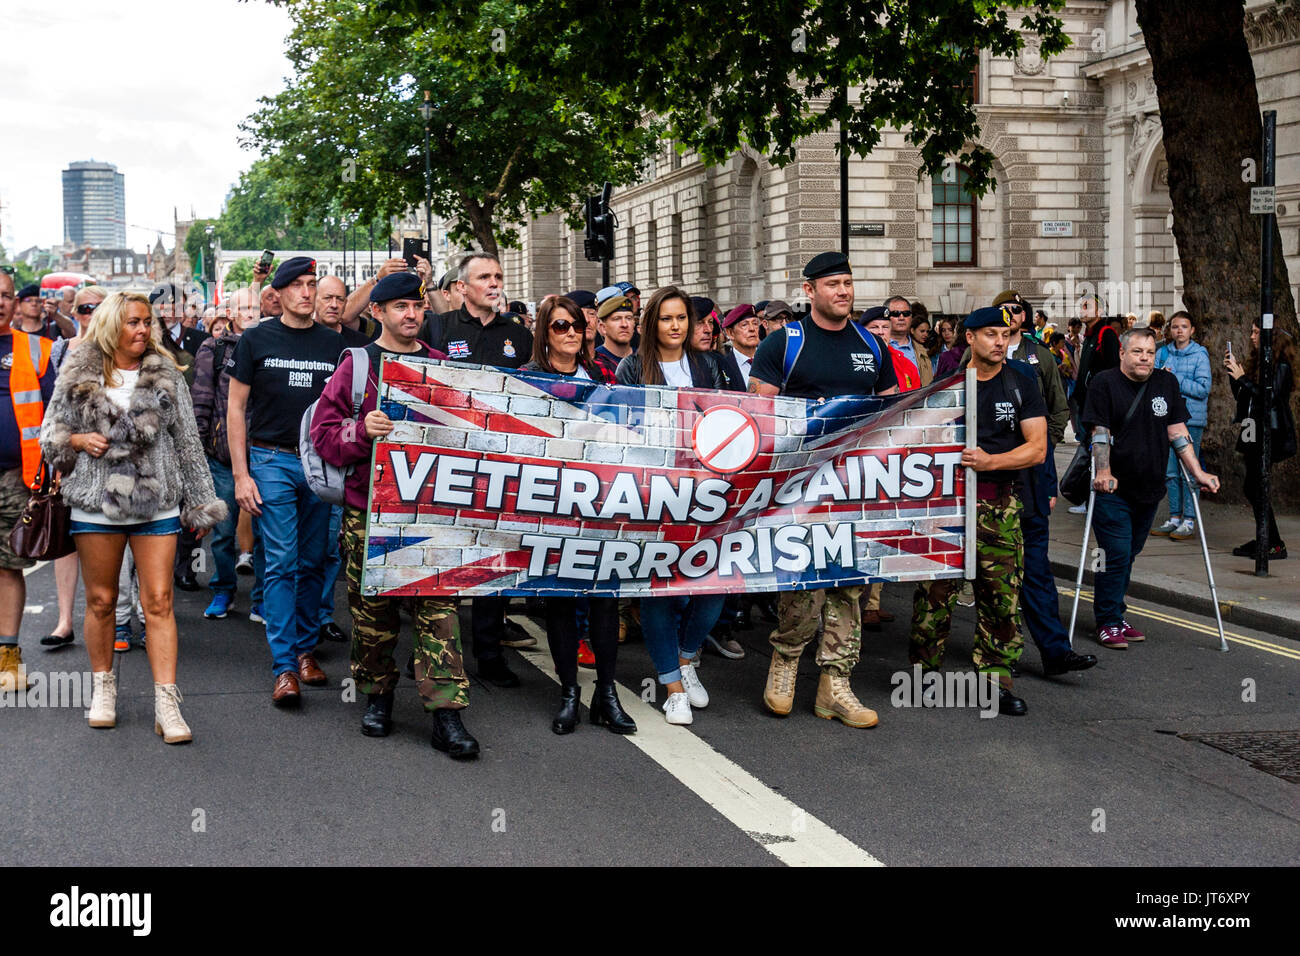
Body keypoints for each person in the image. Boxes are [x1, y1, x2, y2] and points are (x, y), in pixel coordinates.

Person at [39, 291, 226, 741]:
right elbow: (50, 438)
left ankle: (167, 701)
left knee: (159, 602)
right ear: (110, 326)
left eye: (147, 322)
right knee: (102, 601)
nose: (144, 330)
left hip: (156, 502)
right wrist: (80, 442)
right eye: (133, 323)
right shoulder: (78, 372)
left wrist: (199, 503)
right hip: (96, 502)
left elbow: (187, 445)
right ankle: (104, 689)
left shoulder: (167, 376)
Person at [310, 272, 479, 757]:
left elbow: (470, 438)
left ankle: (447, 715)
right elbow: (324, 434)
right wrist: (361, 430)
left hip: (431, 514)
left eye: (417, 306)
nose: (411, 315)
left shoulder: (443, 368)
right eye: (400, 307)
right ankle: (377, 696)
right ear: (377, 313)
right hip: (371, 511)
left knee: (439, 613)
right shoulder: (357, 365)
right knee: (373, 612)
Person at [748, 251, 898, 728]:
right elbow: (760, 418)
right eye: (833, 284)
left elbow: (894, 417)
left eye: (848, 283)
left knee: (848, 585)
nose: (844, 292)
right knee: (800, 583)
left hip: (854, 489)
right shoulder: (783, 345)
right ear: (809, 291)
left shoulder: (873, 348)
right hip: (798, 491)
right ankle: (785, 663)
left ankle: (836, 684)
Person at [910, 306, 1048, 715]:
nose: (1000, 342)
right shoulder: (948, 385)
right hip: (947, 504)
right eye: (990, 334)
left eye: (1005, 334)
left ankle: (995, 681)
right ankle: (923, 676)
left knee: (1000, 598)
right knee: (934, 595)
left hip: (998, 504)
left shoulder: (1021, 381)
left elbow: (1036, 448)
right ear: (969, 338)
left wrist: (991, 462)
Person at [228, 257, 342, 706]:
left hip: (321, 463)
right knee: (281, 561)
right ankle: (283, 667)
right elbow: (235, 408)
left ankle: (305, 651)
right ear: (277, 294)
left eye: (312, 284)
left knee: (316, 560)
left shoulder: (334, 344)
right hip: (271, 460)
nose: (308, 293)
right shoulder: (255, 340)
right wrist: (241, 475)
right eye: (297, 285)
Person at [419, 252, 535, 686]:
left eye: (498, 276)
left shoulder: (518, 336)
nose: (493, 282)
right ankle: (435, 656)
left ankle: (489, 655)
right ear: (462, 288)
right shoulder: (439, 329)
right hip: (447, 463)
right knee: (442, 558)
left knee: (494, 561)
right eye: (483, 276)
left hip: (503, 466)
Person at [521, 296, 636, 735]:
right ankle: (569, 692)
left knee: (605, 601)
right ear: (544, 334)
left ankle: (606, 694)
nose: (571, 332)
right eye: (559, 326)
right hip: (551, 505)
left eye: (575, 326)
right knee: (562, 602)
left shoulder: (603, 376)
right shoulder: (527, 379)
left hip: (602, 502)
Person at [614, 288, 727, 725]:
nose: (676, 326)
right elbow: (624, 429)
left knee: (714, 584)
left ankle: (685, 659)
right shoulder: (631, 367)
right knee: (658, 590)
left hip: (708, 490)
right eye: (666, 318)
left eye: (682, 318)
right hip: (654, 493)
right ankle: (672, 687)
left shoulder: (708, 364)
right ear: (652, 324)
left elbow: (729, 418)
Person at [1083, 327, 1220, 649]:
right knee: (1115, 554)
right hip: (1113, 490)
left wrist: (1198, 472)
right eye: (1137, 352)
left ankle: (1115, 610)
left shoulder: (1166, 382)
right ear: (1122, 353)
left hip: (1149, 488)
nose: (1145, 358)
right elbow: (1099, 432)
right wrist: (1103, 471)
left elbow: (1177, 431)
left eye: (1149, 352)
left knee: (1129, 553)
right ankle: (1108, 622)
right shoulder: (1105, 383)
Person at [40, 285, 108, 651]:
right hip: (69, 453)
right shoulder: (60, 349)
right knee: (63, 535)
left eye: (98, 307)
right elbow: (53, 405)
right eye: (84, 308)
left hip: (108, 453)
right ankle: (65, 620)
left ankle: (124, 618)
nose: (91, 314)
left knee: (115, 537)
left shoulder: (117, 348)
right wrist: (59, 452)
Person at [192, 287, 263, 622]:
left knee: (267, 534)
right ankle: (223, 589)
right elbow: (202, 398)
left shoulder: (272, 343)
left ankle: (263, 598)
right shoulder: (214, 348)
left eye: (254, 307)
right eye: (243, 307)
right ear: (231, 313)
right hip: (221, 457)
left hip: (263, 455)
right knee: (222, 532)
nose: (249, 312)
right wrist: (200, 449)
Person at [0, 272, 56, 691]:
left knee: (9, 566)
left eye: (4, 295)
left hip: (17, 479)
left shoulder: (37, 350)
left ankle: (8, 661)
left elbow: (55, 416)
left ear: (16, 304)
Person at [312, 274, 365, 646]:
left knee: (332, 546)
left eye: (340, 299)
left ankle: (323, 615)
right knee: (296, 550)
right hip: (297, 451)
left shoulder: (358, 349)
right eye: (327, 297)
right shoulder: (299, 339)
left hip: (342, 461)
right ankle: (294, 620)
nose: (334, 304)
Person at [1226, 323, 1295, 561]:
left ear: (1270, 336)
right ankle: (1267, 540)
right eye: (1252, 331)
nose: (1252, 335)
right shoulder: (1259, 362)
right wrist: (1234, 376)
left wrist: (1242, 378)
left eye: (1257, 331)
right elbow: (1243, 396)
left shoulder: (1282, 366)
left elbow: (1270, 397)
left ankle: (1272, 543)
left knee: (1256, 486)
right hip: (1250, 427)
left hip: (1270, 431)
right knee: (1252, 486)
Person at [1151, 311, 1211, 541]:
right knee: (1170, 472)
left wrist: (1173, 379)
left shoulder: (1200, 355)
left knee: (1189, 470)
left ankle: (1189, 519)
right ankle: (1174, 516)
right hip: (1165, 419)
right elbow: (1152, 379)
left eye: (1184, 327)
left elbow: (1203, 388)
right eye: (1175, 327)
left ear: (1192, 330)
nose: (1179, 331)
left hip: (1191, 420)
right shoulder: (1163, 352)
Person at [593, 292, 636, 378]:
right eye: (617, 319)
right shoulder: (594, 363)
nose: (624, 324)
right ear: (602, 327)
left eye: (628, 318)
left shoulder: (644, 359)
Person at [720, 303, 761, 390]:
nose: (752, 329)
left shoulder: (771, 359)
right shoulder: (722, 366)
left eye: (755, 323)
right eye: (744, 325)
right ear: (730, 333)